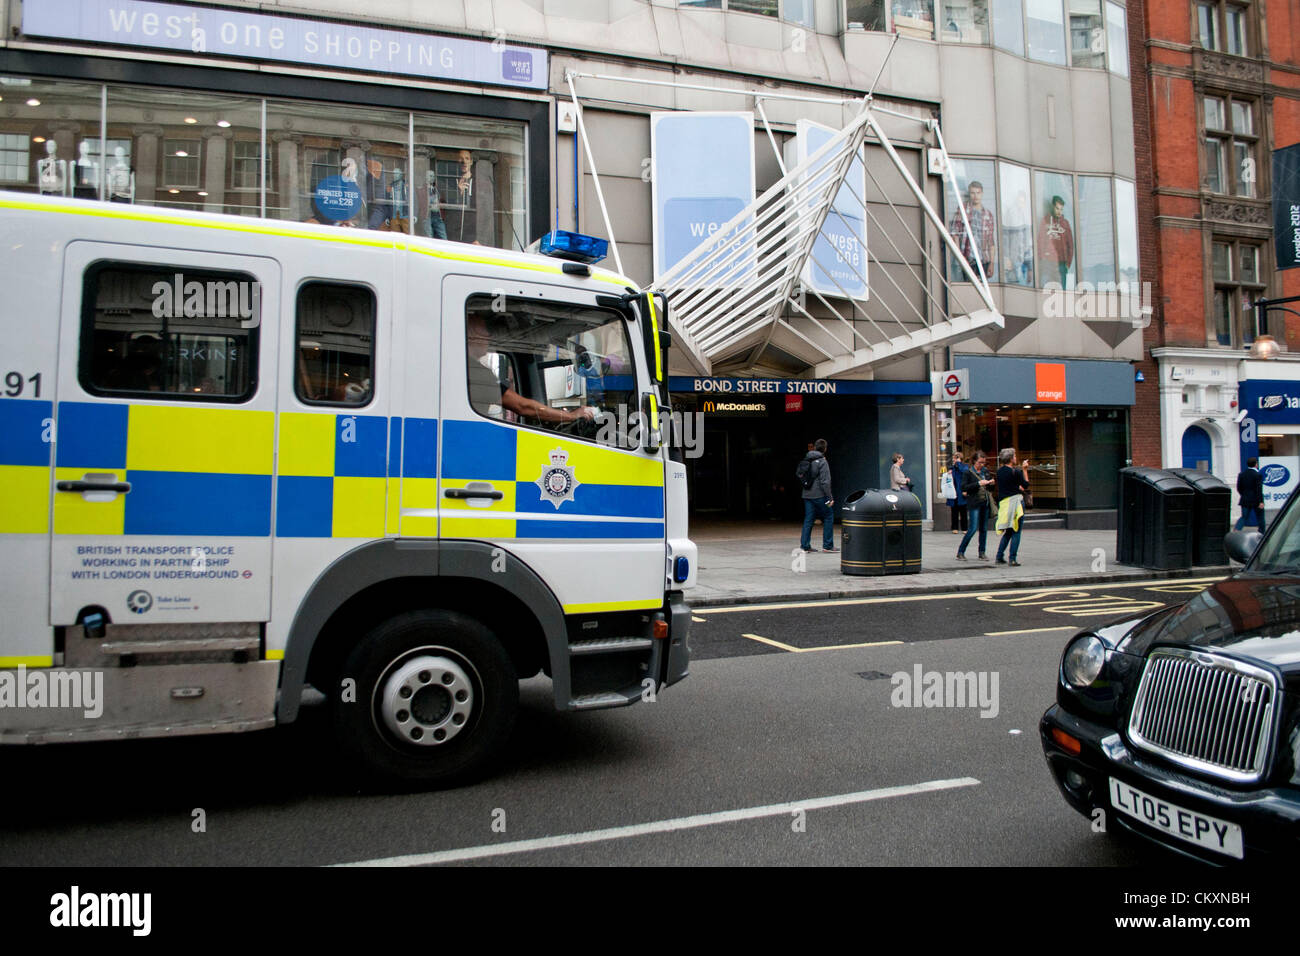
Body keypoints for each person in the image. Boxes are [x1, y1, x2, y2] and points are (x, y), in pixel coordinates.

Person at [465, 313, 596, 426]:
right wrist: (572, 416)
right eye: (483, 329)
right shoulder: (476, 372)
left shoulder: (470, 368)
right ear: (470, 334)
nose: (488, 335)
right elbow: (522, 406)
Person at [948, 181, 996, 280]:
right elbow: (955, 233)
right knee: (968, 287)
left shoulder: (988, 214)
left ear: (982, 193)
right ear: (969, 194)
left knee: (982, 288)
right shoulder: (963, 210)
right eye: (973, 193)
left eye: (978, 193)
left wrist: (992, 262)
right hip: (967, 257)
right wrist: (960, 256)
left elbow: (991, 241)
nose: (975, 196)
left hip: (984, 259)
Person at [994, 447, 1030, 566]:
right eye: (1014, 456)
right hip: (1016, 503)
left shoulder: (999, 472)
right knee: (1016, 531)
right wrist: (1025, 470)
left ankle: (999, 556)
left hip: (1004, 503)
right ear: (1010, 458)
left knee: (1008, 531)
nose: (1016, 458)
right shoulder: (1016, 472)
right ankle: (1012, 558)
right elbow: (1025, 485)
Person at [957, 451, 995, 560]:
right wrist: (978, 483)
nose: (982, 465)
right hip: (974, 503)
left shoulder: (985, 471)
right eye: (980, 462)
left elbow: (989, 489)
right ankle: (961, 551)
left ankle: (982, 552)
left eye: (984, 463)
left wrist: (991, 483)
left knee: (983, 528)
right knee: (973, 528)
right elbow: (964, 487)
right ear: (974, 461)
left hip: (985, 502)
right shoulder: (968, 472)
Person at [799, 439, 836, 553]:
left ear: (815, 447)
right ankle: (828, 545)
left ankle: (805, 546)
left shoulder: (807, 459)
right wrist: (830, 497)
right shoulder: (823, 461)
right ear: (825, 449)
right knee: (828, 516)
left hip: (807, 495)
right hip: (820, 495)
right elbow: (825, 481)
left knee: (809, 519)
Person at [1036, 194, 1074, 288]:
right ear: (1053, 207)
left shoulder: (1065, 223)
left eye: (1061, 209)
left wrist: (1068, 263)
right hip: (1047, 262)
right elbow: (1040, 240)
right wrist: (1041, 259)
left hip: (1061, 263)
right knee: (1045, 290)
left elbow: (1071, 245)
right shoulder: (1045, 221)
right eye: (1057, 208)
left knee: (1061, 292)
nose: (1059, 212)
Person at [1236, 457, 1266, 533]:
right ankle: (1262, 533)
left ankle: (1236, 530)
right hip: (1256, 500)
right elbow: (1259, 490)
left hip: (1245, 499)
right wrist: (1261, 501)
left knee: (1244, 517)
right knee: (1260, 517)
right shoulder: (1258, 475)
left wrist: (1244, 494)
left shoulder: (1242, 474)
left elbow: (1239, 487)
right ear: (1256, 464)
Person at [947, 452, 969, 534]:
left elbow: (964, 472)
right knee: (954, 511)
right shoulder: (952, 468)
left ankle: (965, 528)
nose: (954, 459)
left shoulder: (964, 467)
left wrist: (959, 463)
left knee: (963, 511)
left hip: (961, 491)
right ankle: (954, 528)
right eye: (954, 458)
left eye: (956, 458)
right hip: (953, 492)